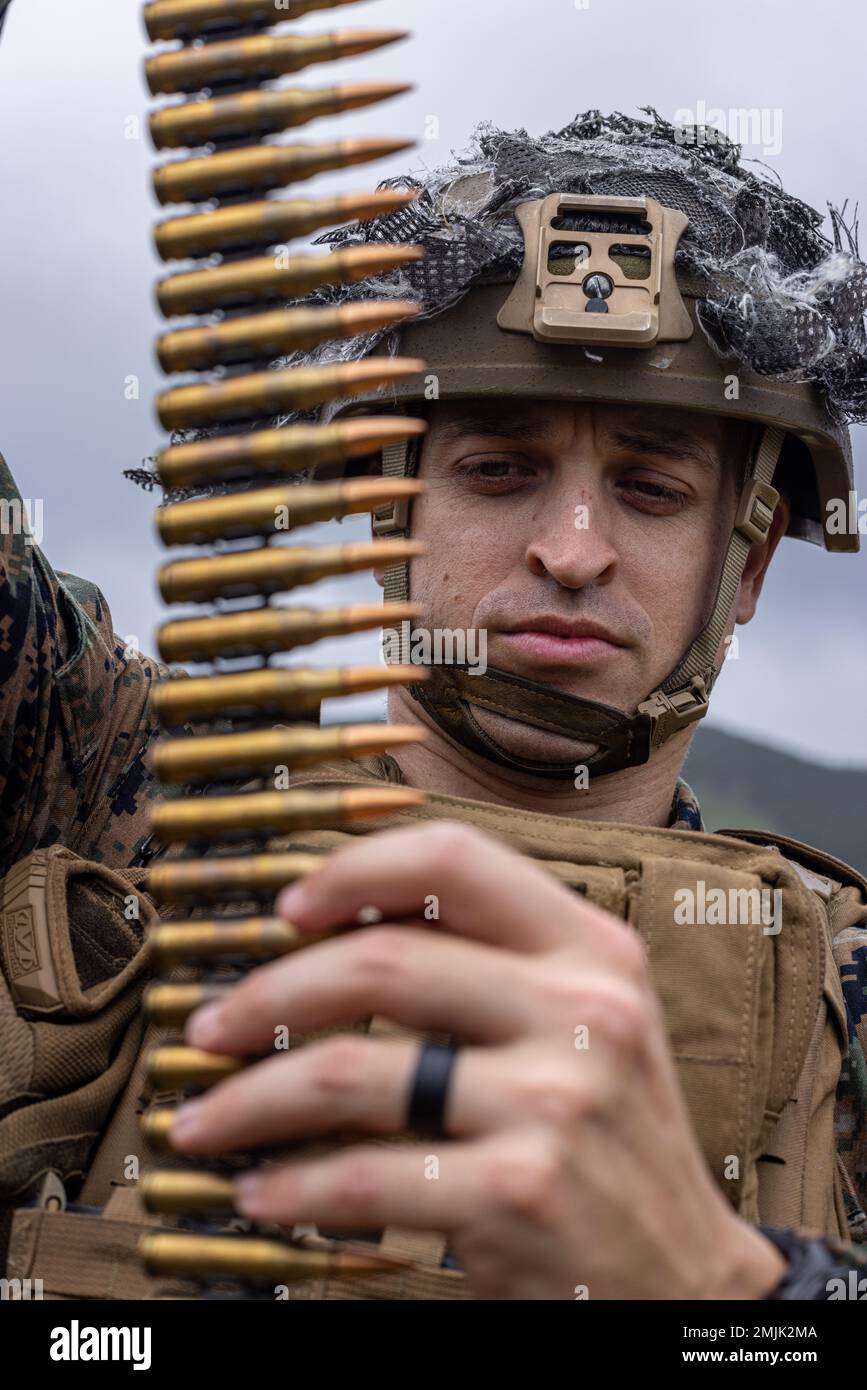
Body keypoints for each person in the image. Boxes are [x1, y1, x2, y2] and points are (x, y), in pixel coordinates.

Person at [2, 108, 866, 1301]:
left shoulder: (847, 998)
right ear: (388, 514)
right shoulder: (114, 780)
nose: (574, 551)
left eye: (652, 488)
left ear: (751, 565)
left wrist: (735, 1284)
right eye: (499, 470)